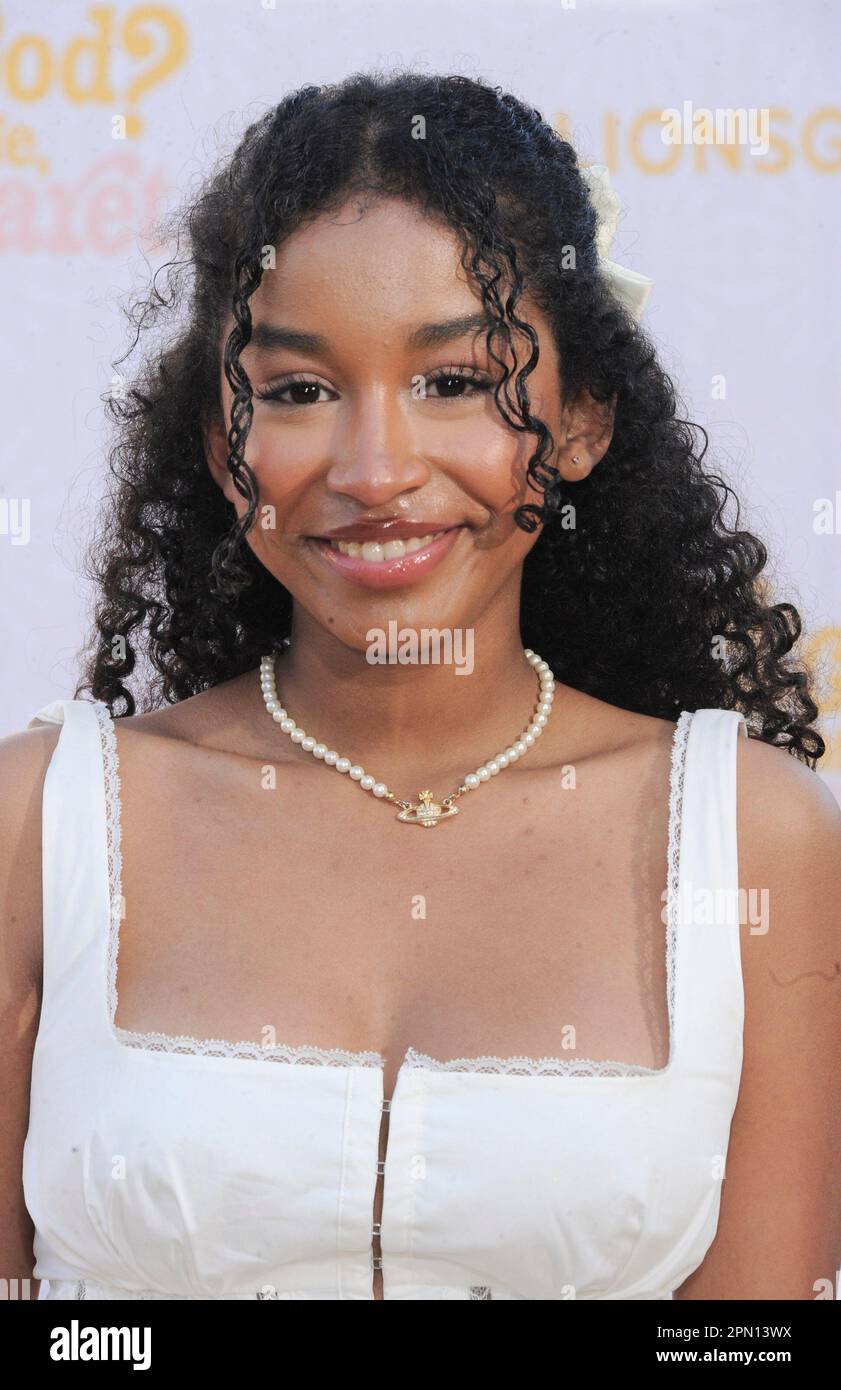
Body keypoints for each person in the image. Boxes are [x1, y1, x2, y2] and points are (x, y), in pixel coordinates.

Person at [2, 71, 840, 1302]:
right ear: (218, 442)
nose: (375, 468)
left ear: (582, 421)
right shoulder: (34, 824)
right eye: (296, 391)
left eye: (453, 382)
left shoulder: (755, 839)